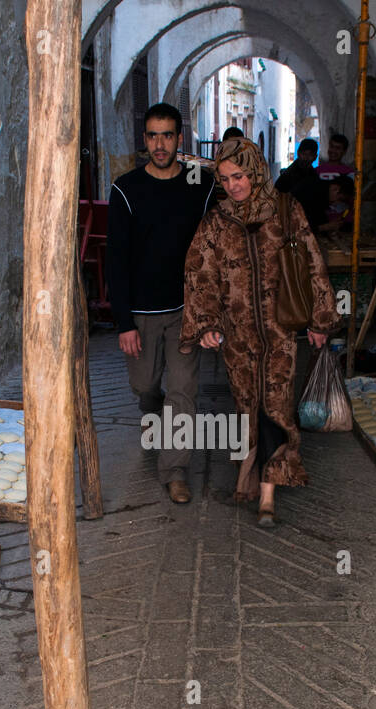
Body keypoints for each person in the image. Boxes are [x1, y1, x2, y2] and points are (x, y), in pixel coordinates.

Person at [180, 138, 339, 527]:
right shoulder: (216, 221)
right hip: (238, 335)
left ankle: (268, 492)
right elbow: (200, 272)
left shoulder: (287, 210)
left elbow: (312, 265)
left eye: (239, 175)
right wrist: (206, 324)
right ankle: (249, 468)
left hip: (280, 329)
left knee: (277, 405)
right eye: (225, 178)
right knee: (247, 404)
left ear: (255, 170)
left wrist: (320, 319)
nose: (234, 185)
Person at [108, 103, 215, 504]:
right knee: (146, 386)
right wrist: (123, 323)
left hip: (187, 312)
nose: (160, 144)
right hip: (141, 313)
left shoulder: (199, 186)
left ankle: (175, 470)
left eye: (167, 135)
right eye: (152, 135)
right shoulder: (126, 188)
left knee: (183, 391)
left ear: (179, 139)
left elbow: (217, 244)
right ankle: (153, 422)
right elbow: (116, 259)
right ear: (144, 139)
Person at [273, 138, 328, 230]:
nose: (306, 158)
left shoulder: (314, 176)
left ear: (315, 157)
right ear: (298, 153)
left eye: (310, 155)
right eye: (304, 154)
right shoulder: (287, 176)